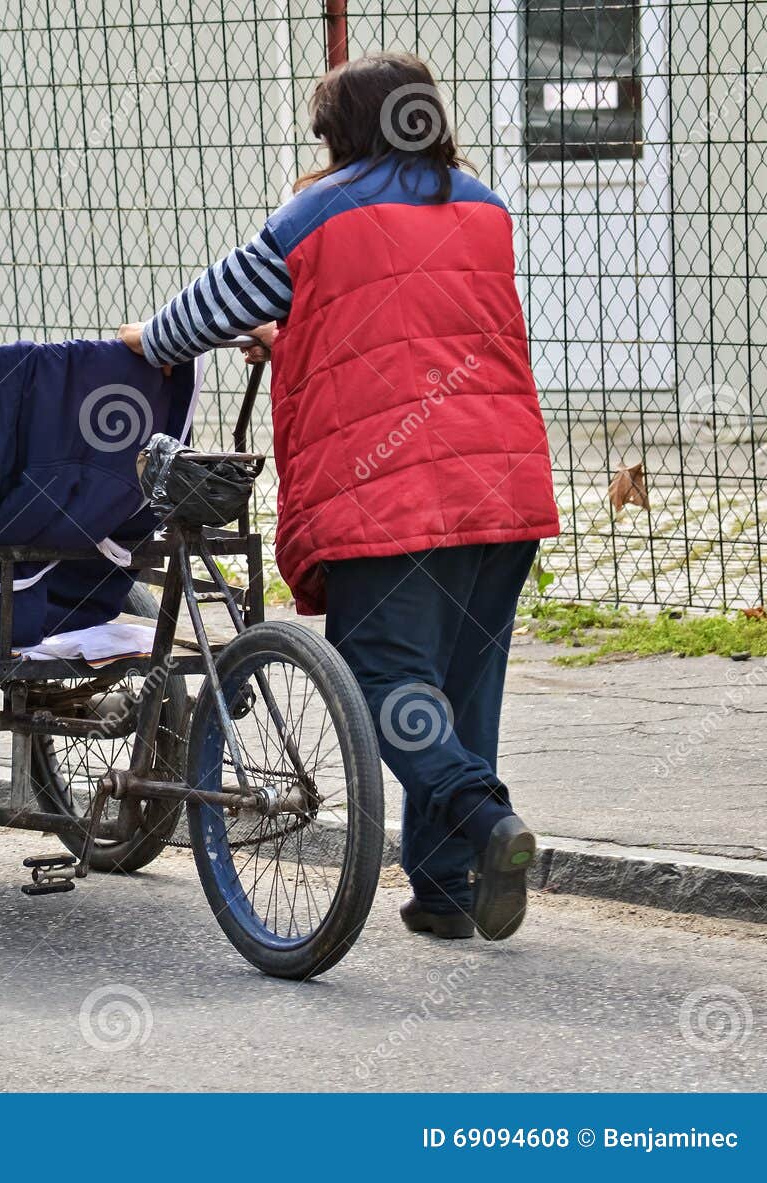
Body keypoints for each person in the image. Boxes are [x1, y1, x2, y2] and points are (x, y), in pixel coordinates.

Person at [120, 51, 560, 941]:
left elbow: (205, 310)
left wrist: (146, 338)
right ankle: (443, 891)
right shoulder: (485, 208)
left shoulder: (316, 214)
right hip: (504, 483)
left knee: (386, 677)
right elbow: (408, 330)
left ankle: (487, 818)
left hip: (388, 501)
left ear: (345, 131)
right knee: (461, 691)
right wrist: (295, 336)